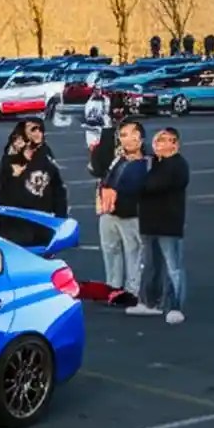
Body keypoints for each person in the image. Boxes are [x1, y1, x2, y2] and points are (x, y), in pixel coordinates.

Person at [128, 128, 189, 323]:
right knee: (151, 266)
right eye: (156, 141)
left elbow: (153, 186)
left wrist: (140, 182)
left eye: (163, 140)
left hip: (168, 224)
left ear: (175, 143)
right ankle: (149, 303)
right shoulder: (153, 164)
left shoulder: (178, 165)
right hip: (149, 222)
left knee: (173, 267)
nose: (158, 144)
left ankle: (174, 306)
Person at [95, 120, 151, 297]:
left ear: (141, 139)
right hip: (109, 213)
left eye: (131, 135)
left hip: (132, 216)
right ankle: (113, 285)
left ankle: (133, 291)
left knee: (133, 253)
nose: (126, 140)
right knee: (110, 250)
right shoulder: (118, 159)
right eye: (123, 135)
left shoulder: (147, 163)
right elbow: (98, 168)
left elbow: (140, 187)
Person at [0, 122, 68, 247]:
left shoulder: (46, 156)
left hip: (43, 226)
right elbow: (4, 193)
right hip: (17, 229)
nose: (38, 133)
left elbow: (58, 188)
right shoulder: (10, 161)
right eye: (33, 130)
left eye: (40, 130)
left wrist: (60, 218)